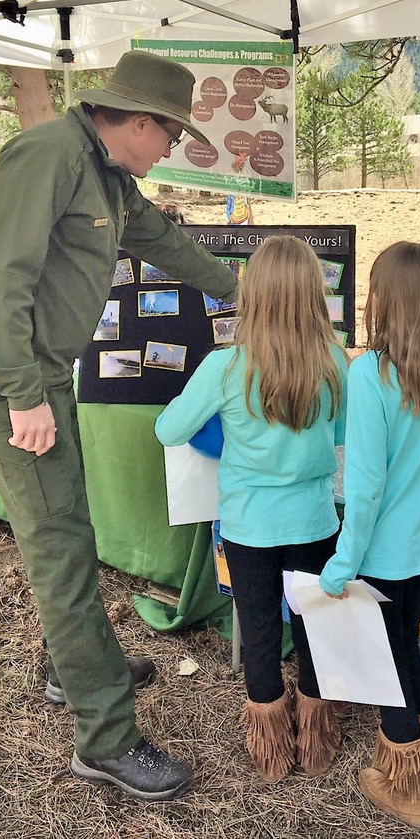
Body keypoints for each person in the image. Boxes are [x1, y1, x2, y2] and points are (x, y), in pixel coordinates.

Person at [0, 50, 239, 802]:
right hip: (7, 377)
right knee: (62, 544)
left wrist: (249, 290)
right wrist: (22, 392)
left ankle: (66, 668)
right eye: (169, 136)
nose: (169, 150)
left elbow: (162, 244)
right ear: (139, 122)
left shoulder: (107, 171)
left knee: (67, 529)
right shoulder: (46, 154)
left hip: (37, 371)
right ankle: (104, 738)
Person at [154, 235, 349, 784]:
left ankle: (271, 748)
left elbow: (168, 429)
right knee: (314, 629)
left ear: (252, 295)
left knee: (260, 631)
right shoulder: (335, 359)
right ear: (314, 293)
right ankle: (318, 738)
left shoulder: (224, 366)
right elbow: (341, 434)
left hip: (247, 526)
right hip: (314, 521)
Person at [319, 241, 420, 829]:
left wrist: (341, 564)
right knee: (405, 648)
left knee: (385, 664)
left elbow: (364, 486)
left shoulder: (370, 374)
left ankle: (407, 790)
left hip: (382, 552)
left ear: (384, 303)